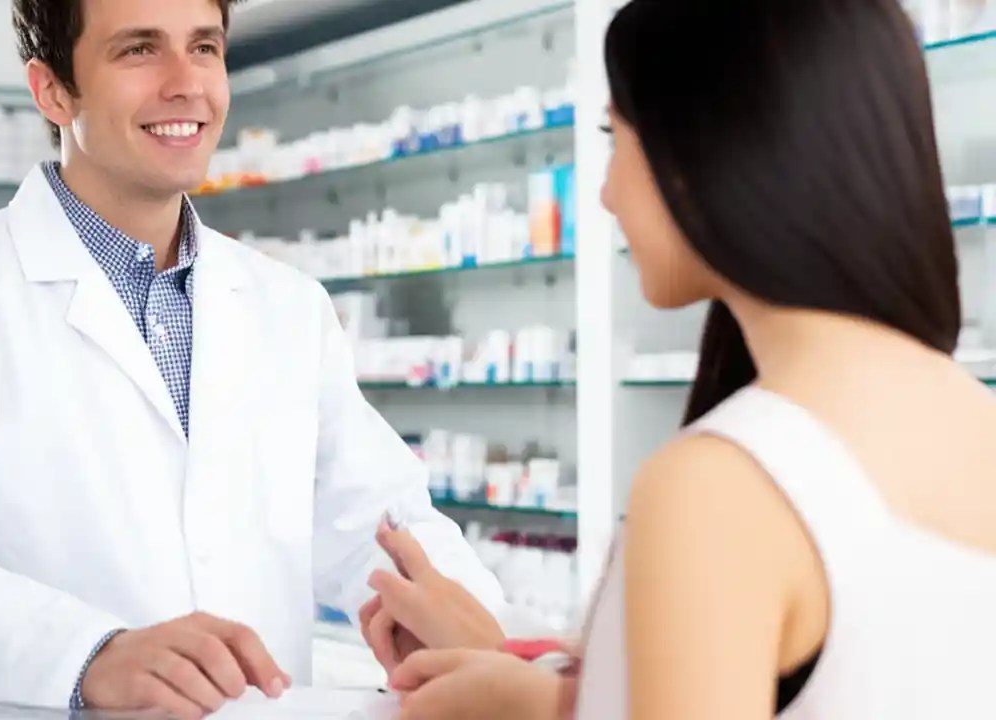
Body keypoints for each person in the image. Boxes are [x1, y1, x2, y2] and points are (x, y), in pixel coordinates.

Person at [0, 0, 514, 718]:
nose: (187, 84)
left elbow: (380, 522)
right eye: (139, 50)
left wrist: (469, 629)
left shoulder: (289, 306)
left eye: (204, 48)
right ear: (53, 90)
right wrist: (88, 655)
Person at [360, 0, 996, 718]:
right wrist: (533, 681)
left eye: (614, 137)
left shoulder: (724, 485)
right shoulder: (974, 423)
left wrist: (518, 709)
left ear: (709, 149)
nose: (605, 194)